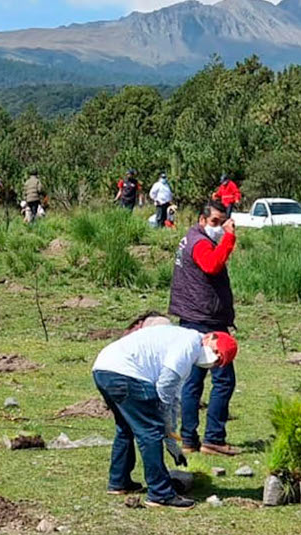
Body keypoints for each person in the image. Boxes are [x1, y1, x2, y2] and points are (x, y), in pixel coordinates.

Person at [92, 323, 238, 509]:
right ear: (210, 337)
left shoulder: (185, 347)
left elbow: (174, 400)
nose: (213, 359)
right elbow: (165, 387)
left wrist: (172, 444)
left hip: (103, 368)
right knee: (150, 432)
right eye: (216, 352)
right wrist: (164, 427)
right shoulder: (190, 344)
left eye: (218, 361)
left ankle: (119, 481)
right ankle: (160, 494)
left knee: (126, 427)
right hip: (125, 372)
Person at [169, 200, 240, 456]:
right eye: (214, 222)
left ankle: (189, 439)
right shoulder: (200, 243)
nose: (218, 227)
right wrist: (229, 238)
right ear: (202, 220)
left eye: (222, 223)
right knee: (223, 380)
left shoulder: (191, 238)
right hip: (205, 319)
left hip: (192, 315)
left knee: (193, 381)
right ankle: (214, 439)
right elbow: (212, 265)